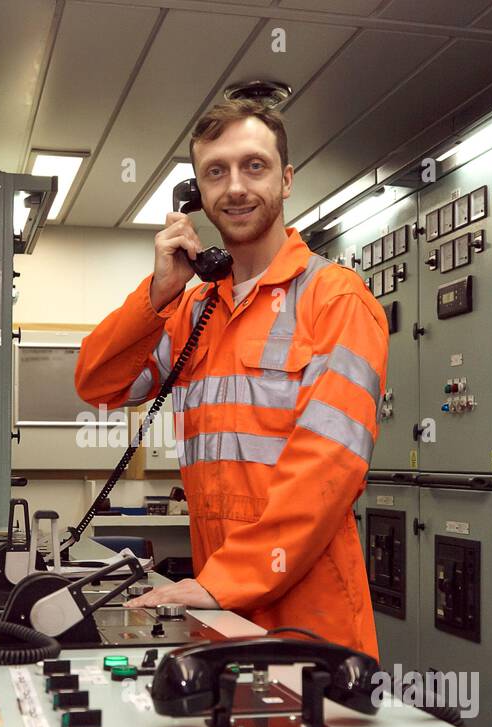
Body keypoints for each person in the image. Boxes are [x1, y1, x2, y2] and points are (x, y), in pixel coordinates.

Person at [74, 100, 389, 655]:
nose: (236, 187)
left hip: (306, 608)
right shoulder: (195, 310)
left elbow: (327, 468)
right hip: (215, 601)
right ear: (196, 196)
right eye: (216, 172)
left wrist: (220, 582)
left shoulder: (336, 300)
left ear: (286, 179)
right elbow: (99, 384)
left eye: (255, 166)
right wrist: (158, 294)